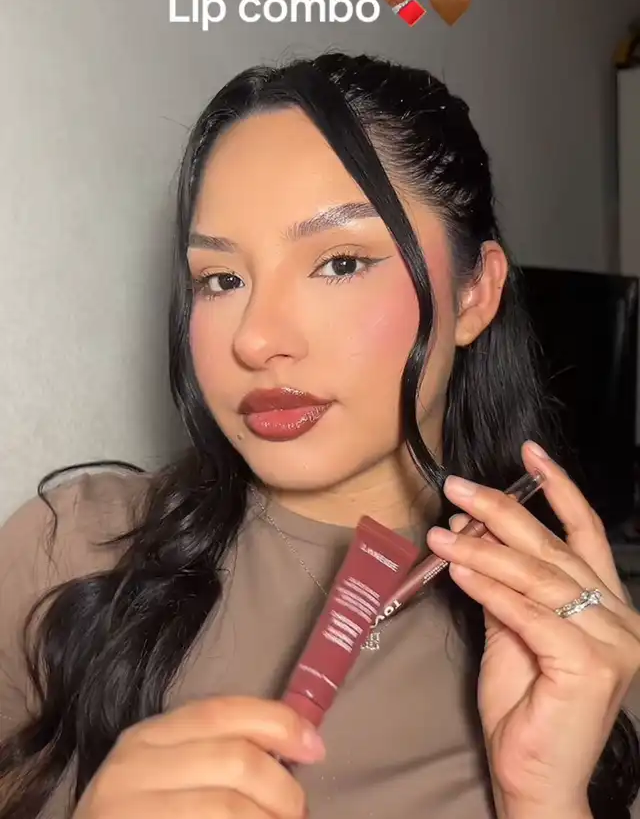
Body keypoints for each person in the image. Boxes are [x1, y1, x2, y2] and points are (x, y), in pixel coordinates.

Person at [1, 51, 639, 819]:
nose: (255, 339)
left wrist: (545, 800)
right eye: (221, 279)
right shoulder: (68, 553)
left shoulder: (583, 659)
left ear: (475, 293)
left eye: (339, 263)